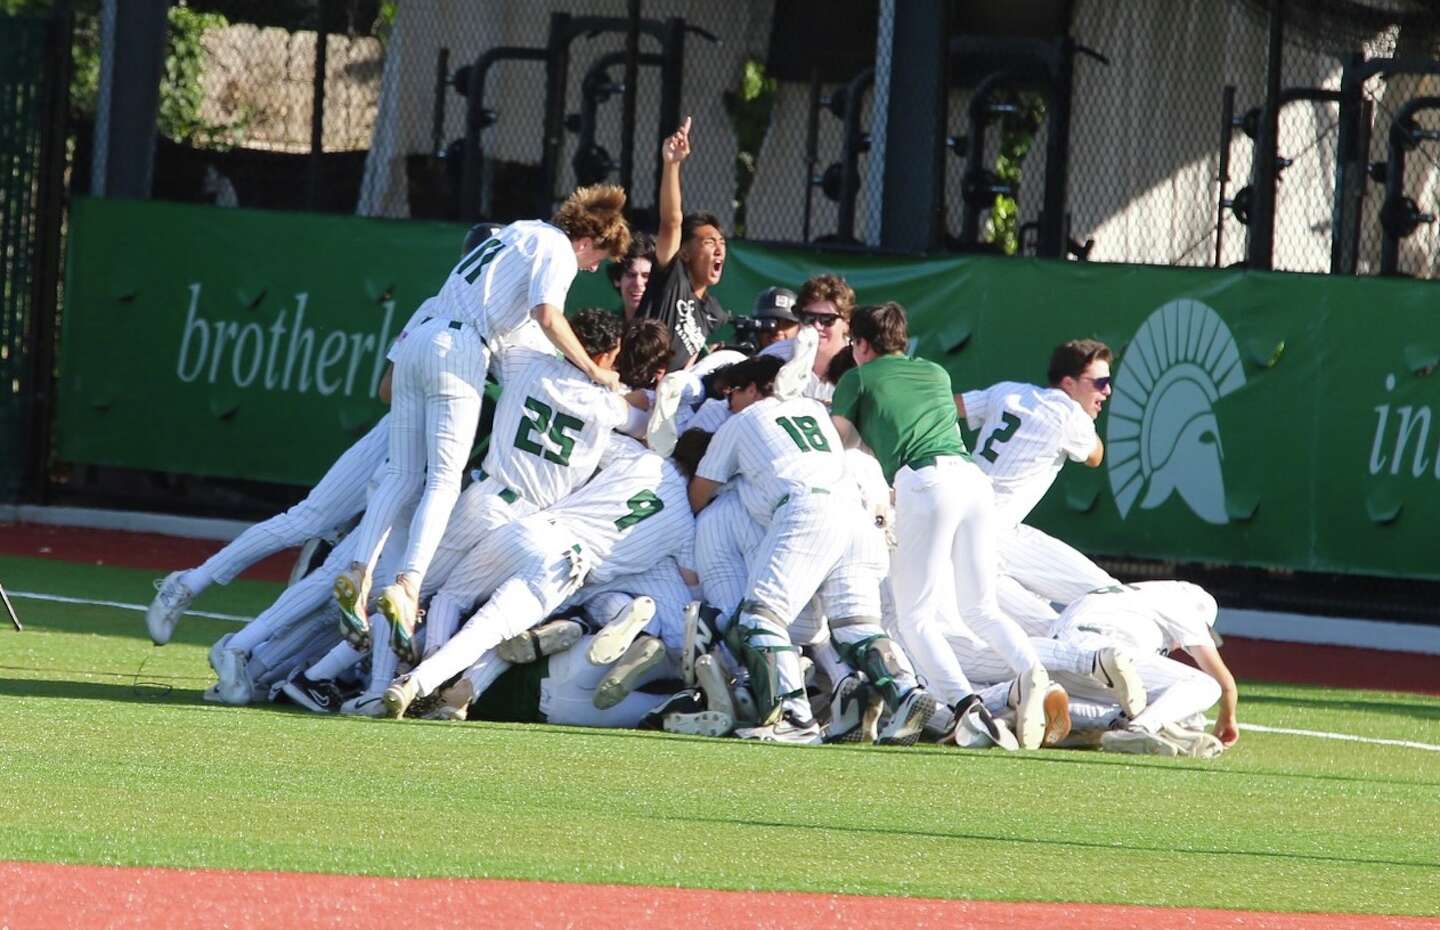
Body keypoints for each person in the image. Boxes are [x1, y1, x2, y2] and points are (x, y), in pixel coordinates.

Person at [333, 185, 631, 650]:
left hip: (420, 340)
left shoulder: (518, 231)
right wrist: (593, 369)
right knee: (443, 482)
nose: (594, 268)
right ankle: (409, 585)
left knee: (401, 472)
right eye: (599, 258)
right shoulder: (556, 247)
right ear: (588, 239)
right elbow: (549, 316)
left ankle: (358, 570)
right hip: (462, 347)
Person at [830, 302, 1057, 750]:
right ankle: (1034, 674)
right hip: (972, 481)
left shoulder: (857, 377)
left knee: (914, 616)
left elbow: (838, 440)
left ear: (859, 344)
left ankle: (963, 706)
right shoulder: (935, 372)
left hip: (925, 482)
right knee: (981, 607)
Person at [688, 355, 938, 746]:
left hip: (806, 509)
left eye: (733, 392)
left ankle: (793, 715)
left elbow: (699, 495)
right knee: (857, 626)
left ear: (755, 388)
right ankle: (905, 691)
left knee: (760, 618)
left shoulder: (738, 424)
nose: (727, 403)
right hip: (853, 515)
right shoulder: (812, 408)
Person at [957, 339, 1120, 609]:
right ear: (1069, 383)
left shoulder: (1008, 392)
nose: (1107, 391)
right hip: (993, 537)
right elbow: (1095, 456)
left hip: (957, 523)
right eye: (1100, 383)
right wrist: (1085, 421)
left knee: (1022, 619)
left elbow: (948, 407)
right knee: (1106, 594)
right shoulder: (1070, 416)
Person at [637, 117, 729, 368]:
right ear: (685, 252)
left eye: (722, 242)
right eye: (709, 242)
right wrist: (673, 164)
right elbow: (672, 222)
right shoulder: (671, 278)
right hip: (635, 390)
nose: (720, 248)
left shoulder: (714, 313)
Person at [607, 232, 655, 322]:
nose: (638, 283)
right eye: (631, 275)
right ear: (617, 280)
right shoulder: (609, 326)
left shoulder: (670, 322)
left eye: (646, 276)